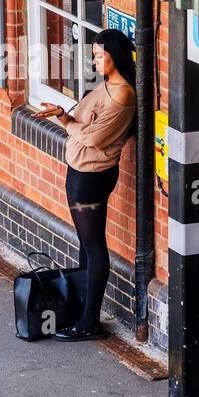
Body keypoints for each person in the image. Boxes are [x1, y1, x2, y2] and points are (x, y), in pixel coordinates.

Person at [33, 29, 137, 341]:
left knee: (93, 247)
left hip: (90, 178)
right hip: (83, 174)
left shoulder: (122, 95)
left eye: (97, 55)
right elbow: (87, 130)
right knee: (86, 243)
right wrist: (66, 116)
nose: (93, 61)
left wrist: (66, 122)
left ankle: (90, 321)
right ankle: (83, 311)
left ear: (114, 56)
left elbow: (94, 138)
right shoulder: (108, 86)